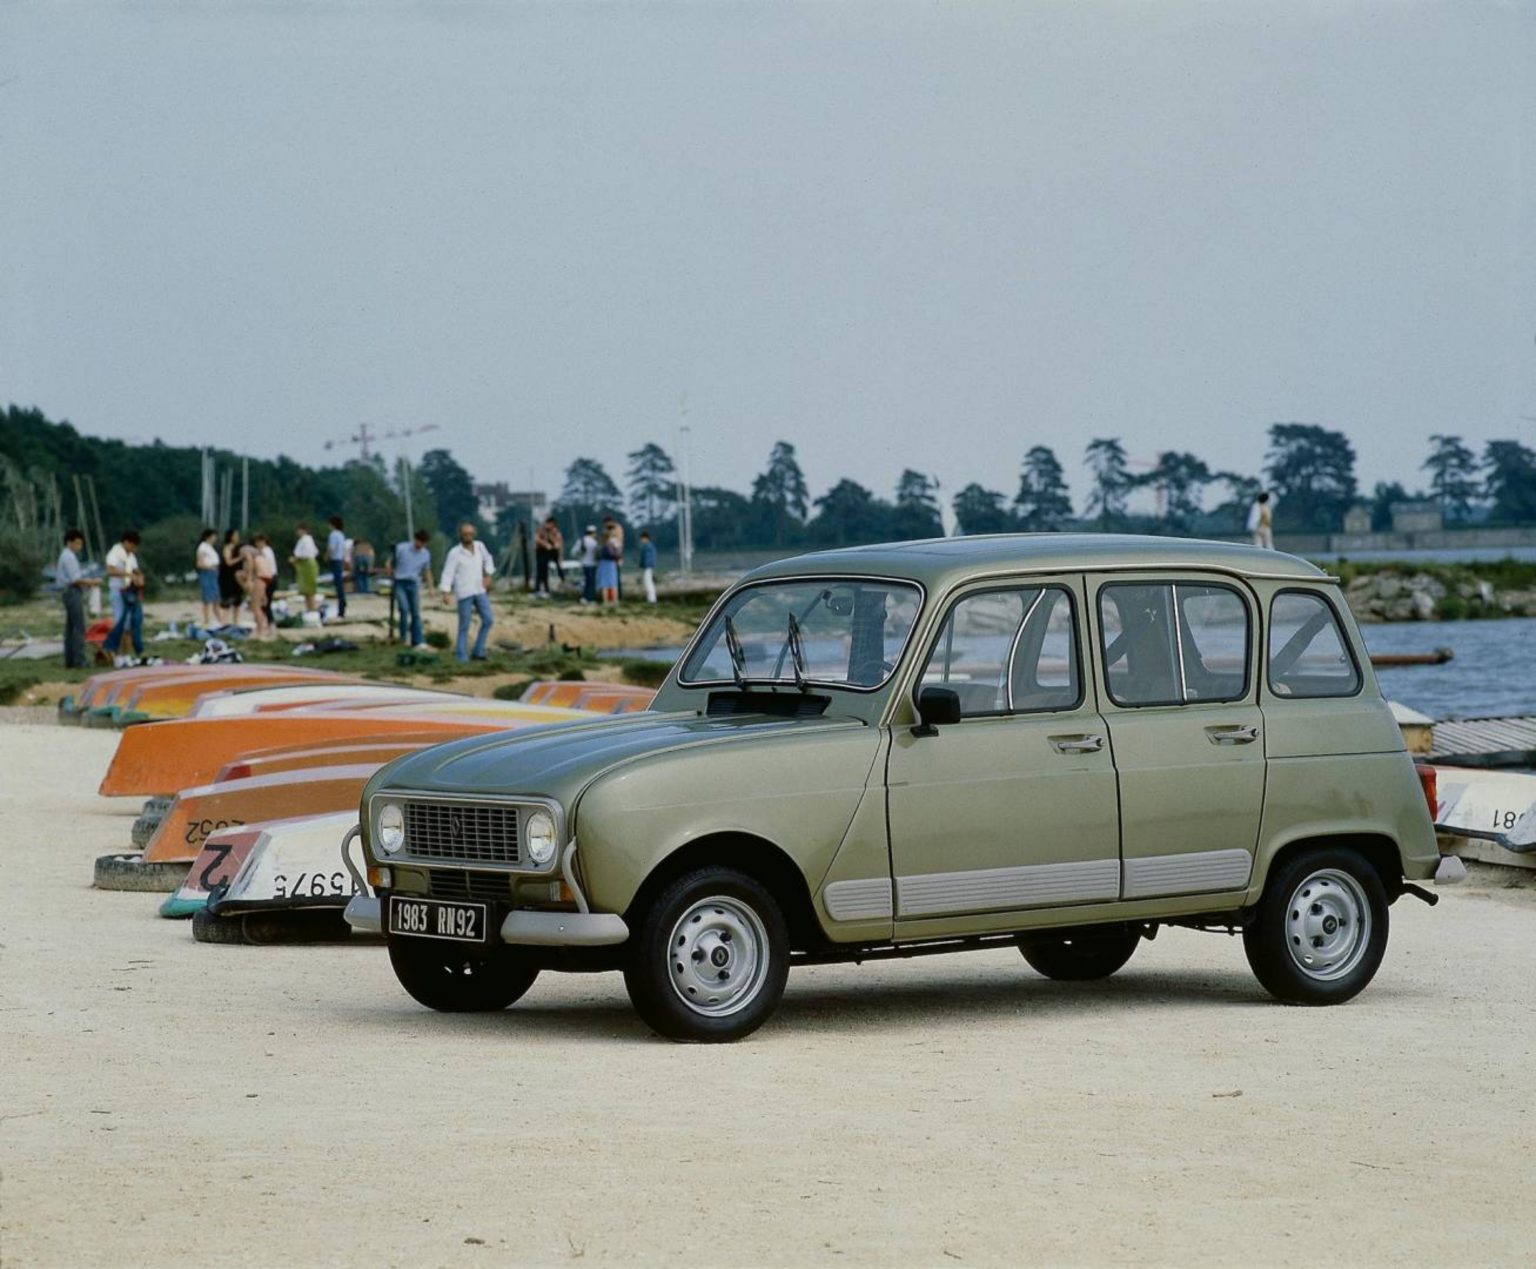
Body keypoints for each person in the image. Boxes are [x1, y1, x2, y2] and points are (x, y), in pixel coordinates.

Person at [439, 521, 496, 661]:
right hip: (464, 591)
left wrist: (488, 575)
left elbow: (488, 560)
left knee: (488, 619)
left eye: (470, 534)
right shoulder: (455, 553)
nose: (468, 536)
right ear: (460, 535)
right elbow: (448, 572)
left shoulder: (480, 546)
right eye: (465, 534)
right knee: (464, 624)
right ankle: (461, 656)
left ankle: (478, 651)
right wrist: (446, 592)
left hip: (479, 588)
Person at [57, 528, 99, 668]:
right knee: (78, 627)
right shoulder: (69, 557)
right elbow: (75, 579)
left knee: (70, 628)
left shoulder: (66, 555)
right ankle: (79, 660)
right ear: (69, 542)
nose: (79, 547)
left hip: (68, 592)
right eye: (77, 543)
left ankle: (70, 660)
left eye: (80, 544)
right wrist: (92, 582)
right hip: (72, 592)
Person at [102, 530, 144, 659]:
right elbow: (110, 570)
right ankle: (115, 652)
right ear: (126, 542)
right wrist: (127, 574)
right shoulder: (114, 553)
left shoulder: (130, 556)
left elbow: (136, 570)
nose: (133, 549)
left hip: (130, 592)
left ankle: (127, 654)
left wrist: (140, 577)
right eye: (132, 545)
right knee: (120, 622)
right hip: (117, 591)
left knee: (130, 625)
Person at [393, 527, 434, 649]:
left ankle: (418, 639)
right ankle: (403, 636)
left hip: (414, 583)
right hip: (400, 582)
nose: (421, 545)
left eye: (424, 543)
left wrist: (431, 587)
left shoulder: (426, 554)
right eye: (419, 542)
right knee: (404, 609)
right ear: (415, 539)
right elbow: (391, 562)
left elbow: (427, 571)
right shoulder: (401, 548)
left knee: (415, 613)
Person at [290, 522, 320, 612]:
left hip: (307, 564)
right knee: (305, 590)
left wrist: (295, 559)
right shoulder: (303, 540)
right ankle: (308, 608)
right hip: (303, 566)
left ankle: (312, 608)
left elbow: (305, 554)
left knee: (310, 589)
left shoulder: (306, 539)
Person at [195, 527, 221, 627]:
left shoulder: (210, 548)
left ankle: (219, 619)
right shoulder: (203, 547)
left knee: (216, 597)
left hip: (214, 573)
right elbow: (199, 563)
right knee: (207, 598)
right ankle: (206, 620)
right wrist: (209, 567)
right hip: (207, 573)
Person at [532, 517, 565, 597]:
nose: (551, 526)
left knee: (556, 568)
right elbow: (537, 539)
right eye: (550, 524)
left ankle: (561, 580)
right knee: (541, 571)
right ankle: (539, 589)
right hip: (541, 552)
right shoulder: (541, 530)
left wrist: (553, 541)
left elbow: (559, 543)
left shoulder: (555, 531)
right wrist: (545, 544)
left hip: (552, 552)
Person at [254, 532, 279, 632]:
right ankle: (266, 622)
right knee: (265, 602)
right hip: (270, 577)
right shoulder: (268, 551)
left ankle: (270, 623)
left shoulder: (265, 551)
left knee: (265, 602)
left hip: (268, 578)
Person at [218, 529, 245, 622]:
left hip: (237, 575)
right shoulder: (227, 547)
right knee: (227, 600)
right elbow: (228, 562)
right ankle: (223, 621)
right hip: (228, 576)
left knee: (237, 600)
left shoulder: (240, 547)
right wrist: (240, 558)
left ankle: (236, 621)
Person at [326, 515, 348, 617]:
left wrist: (327, 556)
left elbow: (332, 547)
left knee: (338, 584)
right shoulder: (341, 534)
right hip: (340, 559)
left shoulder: (333, 534)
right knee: (340, 583)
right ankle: (342, 602)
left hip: (335, 560)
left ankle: (342, 604)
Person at [596, 524, 621, 605]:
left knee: (604, 584)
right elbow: (613, 554)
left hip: (603, 564)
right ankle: (615, 600)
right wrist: (618, 557)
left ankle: (605, 601)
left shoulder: (601, 544)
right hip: (611, 564)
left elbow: (598, 555)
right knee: (613, 583)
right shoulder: (611, 544)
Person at [578, 524, 599, 604]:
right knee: (592, 582)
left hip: (584, 563)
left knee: (587, 581)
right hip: (592, 564)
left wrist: (580, 557)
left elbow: (574, 552)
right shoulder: (594, 542)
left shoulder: (581, 540)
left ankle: (584, 597)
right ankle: (591, 598)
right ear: (593, 533)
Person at [637, 531, 658, 604]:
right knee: (648, 582)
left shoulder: (647, 546)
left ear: (645, 538)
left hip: (647, 567)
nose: (641, 540)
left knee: (648, 582)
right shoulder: (650, 546)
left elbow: (646, 558)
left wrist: (642, 565)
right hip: (649, 567)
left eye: (642, 538)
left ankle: (652, 599)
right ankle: (651, 599)